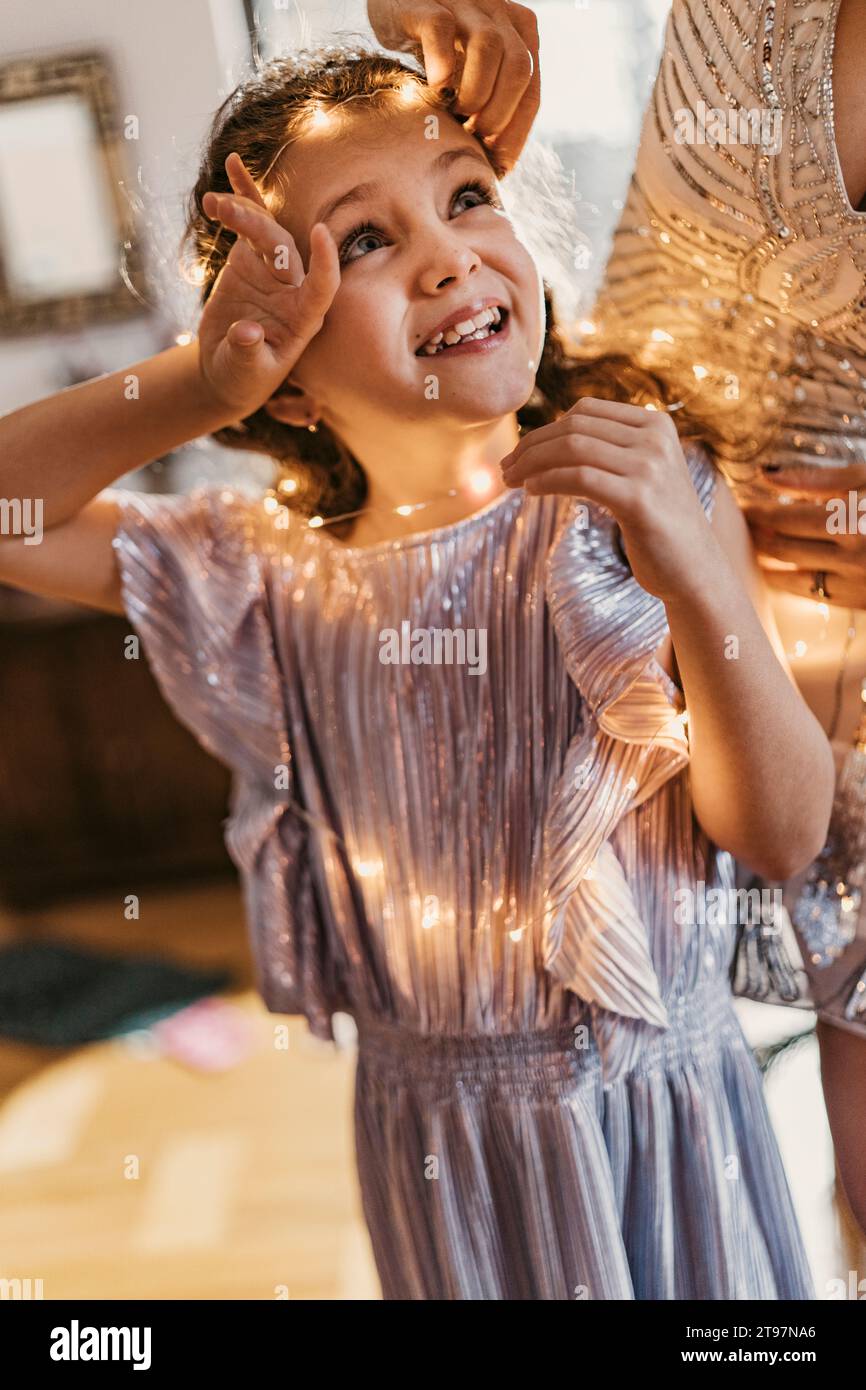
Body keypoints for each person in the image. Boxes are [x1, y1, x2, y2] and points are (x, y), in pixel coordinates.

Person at [0, 46, 835, 1299]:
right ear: (282, 378)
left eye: (465, 195)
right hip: (440, 1150)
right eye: (367, 242)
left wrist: (699, 581)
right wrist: (194, 380)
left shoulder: (642, 500)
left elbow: (780, 837)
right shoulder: (261, 571)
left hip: (668, 1124)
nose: (447, 255)